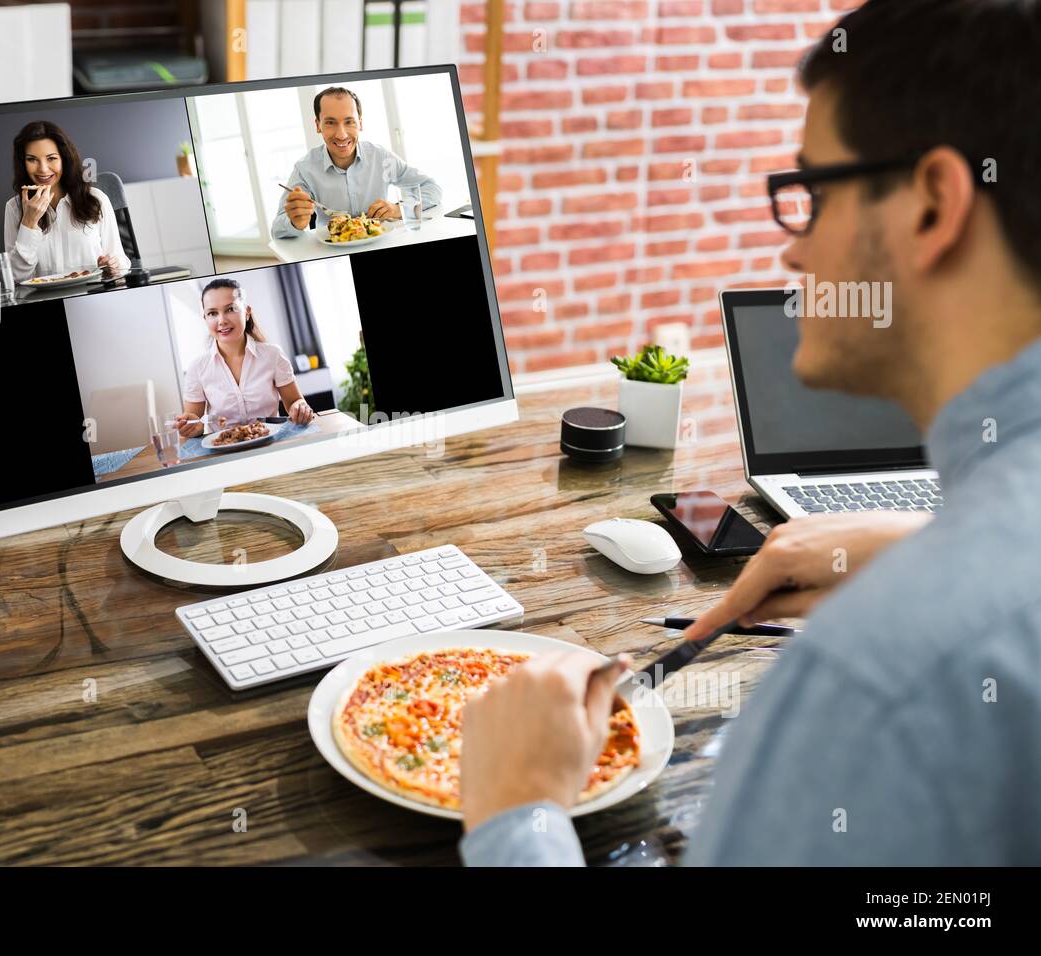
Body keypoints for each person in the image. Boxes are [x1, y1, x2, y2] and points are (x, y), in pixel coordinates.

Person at [461, 0, 1041, 866]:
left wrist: (516, 814)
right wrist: (924, 543)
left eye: (812, 192)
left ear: (931, 207)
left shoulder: (873, 683)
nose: (792, 253)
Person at [272, 87, 442, 240]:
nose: (341, 134)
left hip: (380, 241)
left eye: (349, 122)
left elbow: (432, 188)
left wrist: (399, 209)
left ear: (360, 123)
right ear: (318, 125)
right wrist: (295, 222)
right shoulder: (305, 169)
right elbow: (278, 229)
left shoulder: (380, 157)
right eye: (330, 123)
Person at [175, 278, 315, 438]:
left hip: (271, 442)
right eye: (212, 313)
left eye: (230, 309)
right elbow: (195, 423)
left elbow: (295, 402)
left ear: (247, 312)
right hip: (225, 450)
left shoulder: (273, 355)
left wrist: (300, 407)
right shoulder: (197, 367)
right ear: (205, 318)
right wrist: (193, 427)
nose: (222, 320)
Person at [3, 120, 130, 283]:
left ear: (64, 158)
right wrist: (29, 222)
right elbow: (15, 278)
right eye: (32, 159)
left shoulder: (97, 199)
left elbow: (121, 263)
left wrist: (113, 266)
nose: (43, 168)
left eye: (51, 158)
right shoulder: (14, 208)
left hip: (92, 295)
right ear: (23, 163)